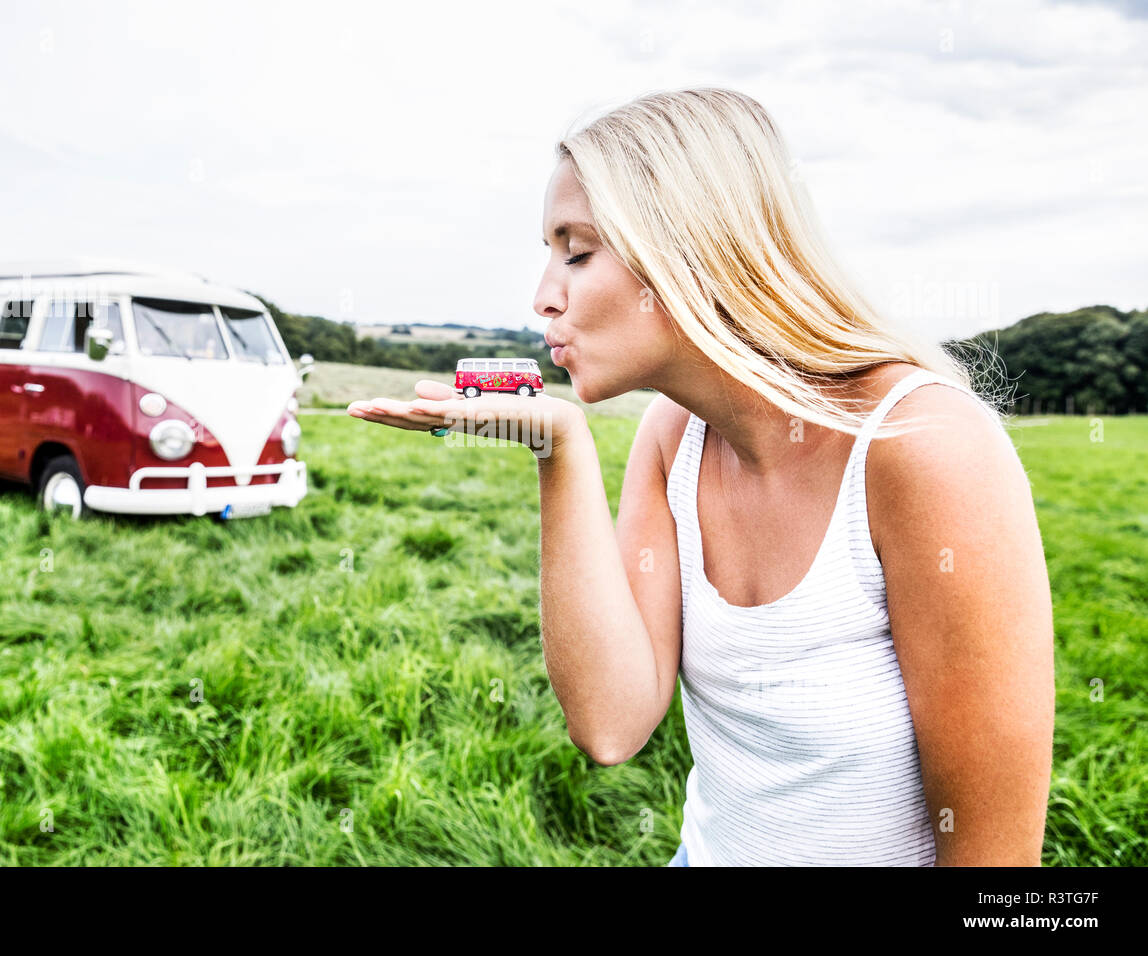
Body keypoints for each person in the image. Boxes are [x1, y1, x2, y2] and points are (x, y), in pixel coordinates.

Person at [347, 88, 1054, 866]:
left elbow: (996, 864)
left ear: (688, 248)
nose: (544, 295)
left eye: (575, 251)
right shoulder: (671, 437)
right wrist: (558, 448)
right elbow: (611, 725)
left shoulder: (924, 444)